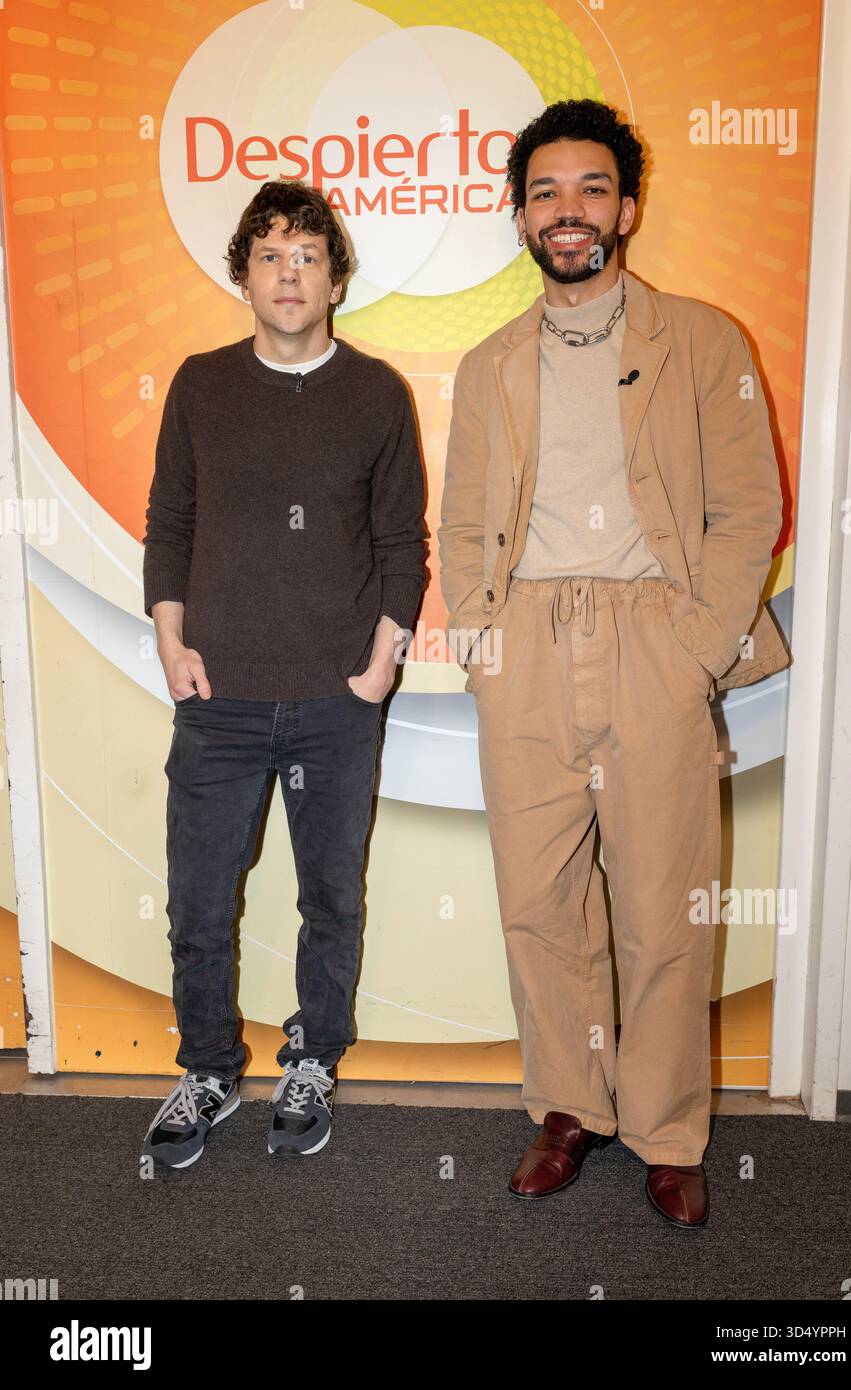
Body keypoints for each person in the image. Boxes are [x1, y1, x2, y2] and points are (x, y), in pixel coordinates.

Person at [438, 99, 789, 1227]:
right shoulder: (489, 367)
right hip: (525, 648)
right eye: (543, 192)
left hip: (653, 640)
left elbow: (748, 511)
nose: (567, 210)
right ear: (521, 219)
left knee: (661, 907)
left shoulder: (702, 340)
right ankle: (568, 1109)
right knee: (539, 904)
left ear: (625, 207)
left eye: (589, 188)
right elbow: (459, 523)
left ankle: (669, 1131)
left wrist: (692, 647)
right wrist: (486, 644)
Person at [141, 178, 426, 1170]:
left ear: (337, 277)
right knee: (197, 898)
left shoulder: (376, 392)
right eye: (269, 254)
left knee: (329, 897)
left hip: (332, 706)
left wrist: (377, 668)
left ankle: (313, 1058)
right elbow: (169, 523)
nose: (288, 271)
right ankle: (210, 1065)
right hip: (213, 701)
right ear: (242, 275)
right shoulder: (200, 383)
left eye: (307, 254)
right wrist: (171, 643)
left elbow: (401, 544)